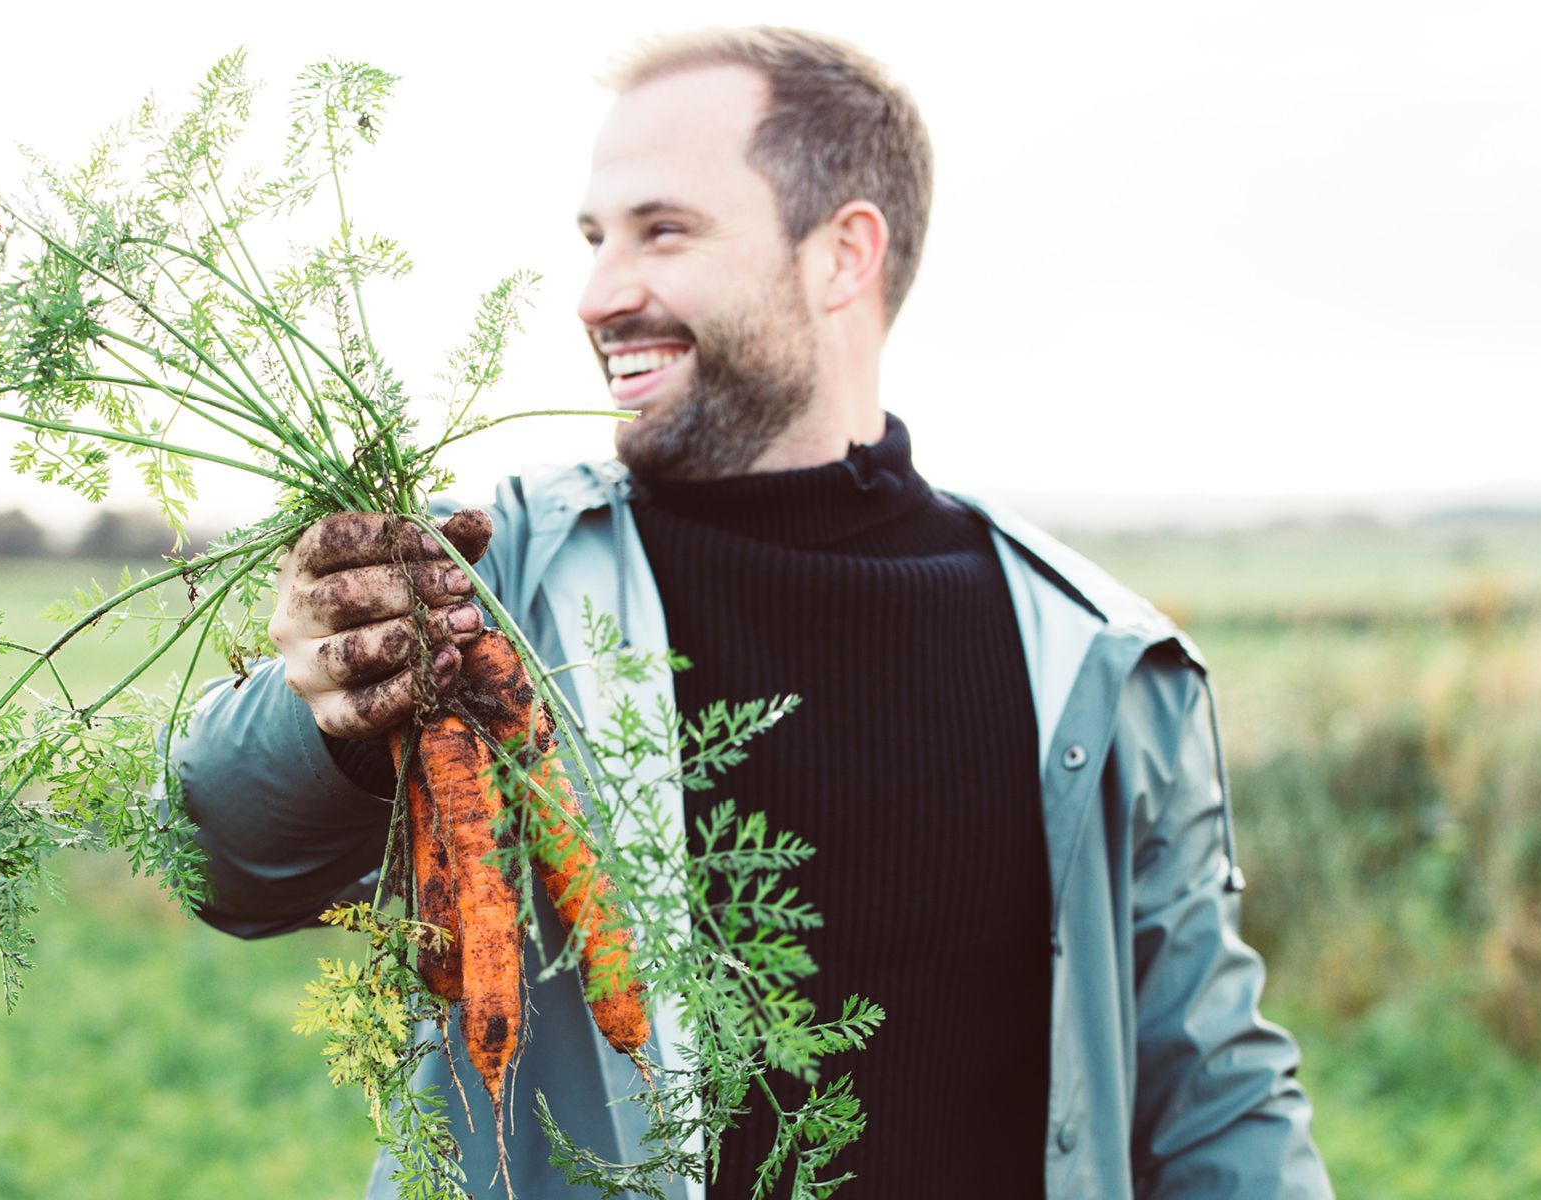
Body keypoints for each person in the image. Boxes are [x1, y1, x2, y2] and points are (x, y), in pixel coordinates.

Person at [171, 26, 1334, 1200]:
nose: (597, 295)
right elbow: (224, 860)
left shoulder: (1091, 656)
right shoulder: (484, 584)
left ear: (843, 254)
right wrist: (330, 717)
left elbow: (1212, 1086)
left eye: (662, 231)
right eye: (593, 239)